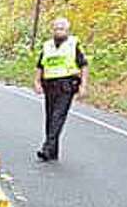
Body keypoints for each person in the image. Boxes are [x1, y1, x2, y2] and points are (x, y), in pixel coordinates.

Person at [33, 17, 89, 161]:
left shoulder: (73, 45)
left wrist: (83, 85)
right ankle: (53, 151)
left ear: (67, 31)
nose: (59, 31)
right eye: (56, 28)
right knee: (50, 118)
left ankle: (46, 148)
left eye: (62, 29)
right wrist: (37, 82)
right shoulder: (48, 46)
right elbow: (40, 66)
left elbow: (83, 65)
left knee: (58, 117)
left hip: (66, 86)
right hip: (49, 86)